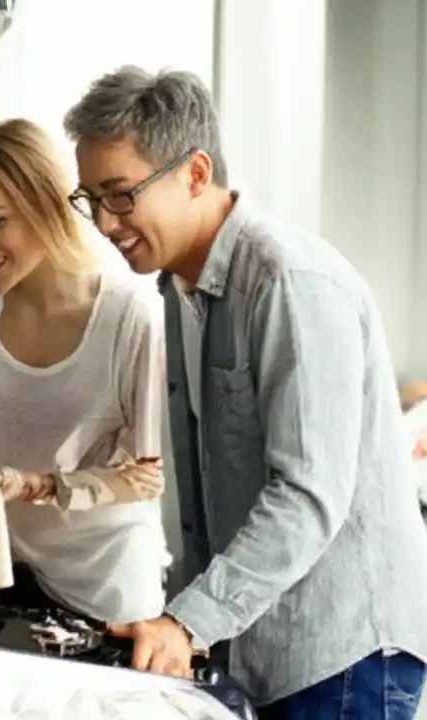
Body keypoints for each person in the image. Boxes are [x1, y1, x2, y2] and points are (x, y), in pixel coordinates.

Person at [63, 66, 427, 718]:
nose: (103, 222)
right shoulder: (177, 290)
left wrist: (189, 623)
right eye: (88, 199)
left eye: (119, 195)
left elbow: (308, 495)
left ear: (195, 174)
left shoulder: (291, 282)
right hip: (256, 652)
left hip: (340, 654)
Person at [0, 118, 170, 625]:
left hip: (108, 589)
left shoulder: (132, 314)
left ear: (46, 206)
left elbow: (148, 478)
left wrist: (33, 485)